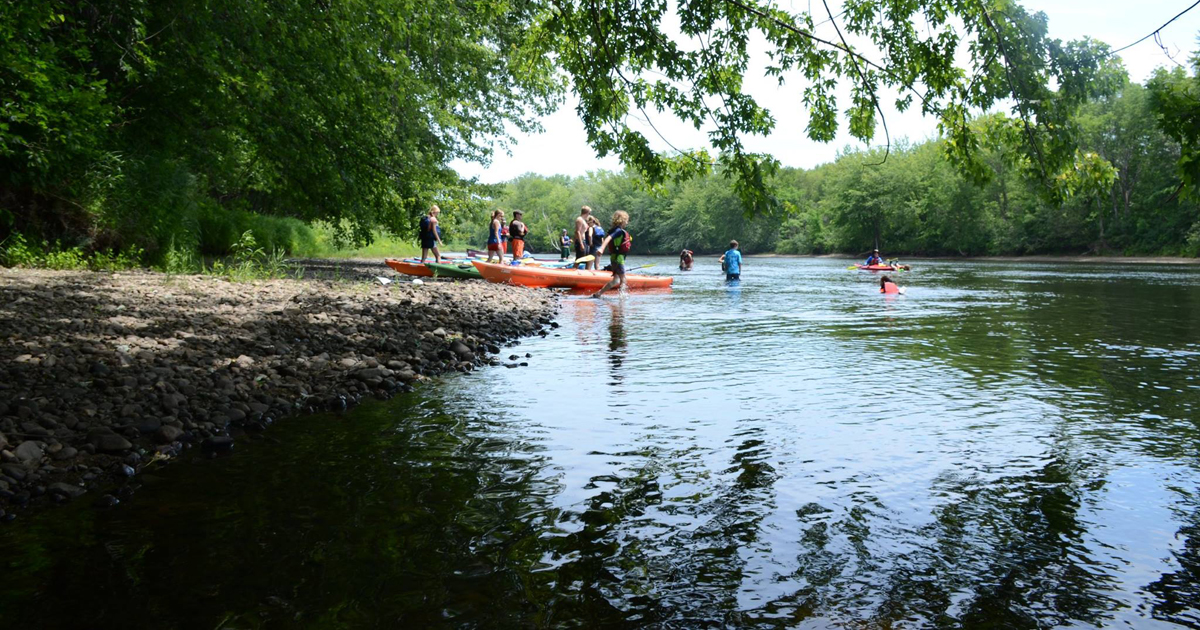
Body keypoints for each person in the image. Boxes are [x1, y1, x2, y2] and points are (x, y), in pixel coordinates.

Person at [592, 210, 631, 298]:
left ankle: (599, 294)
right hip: (618, 258)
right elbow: (608, 238)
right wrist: (601, 248)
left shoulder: (614, 230)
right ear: (623, 220)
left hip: (614, 258)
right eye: (626, 220)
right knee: (623, 279)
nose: (627, 222)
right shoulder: (619, 231)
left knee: (615, 280)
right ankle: (622, 297)